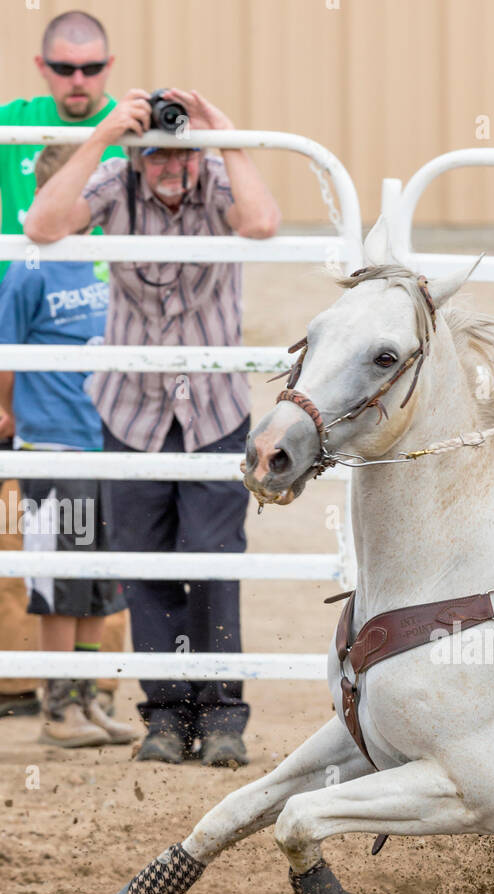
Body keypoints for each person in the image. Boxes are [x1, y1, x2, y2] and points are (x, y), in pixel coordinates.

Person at [26, 85, 282, 767]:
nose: (171, 164)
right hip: (133, 410)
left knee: (213, 560)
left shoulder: (219, 178)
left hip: (215, 410)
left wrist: (222, 131)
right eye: (158, 152)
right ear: (139, 155)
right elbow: (42, 224)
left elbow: (260, 223)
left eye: (182, 150)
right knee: (146, 569)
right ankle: (166, 717)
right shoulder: (117, 178)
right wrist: (107, 136)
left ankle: (223, 715)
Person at [0, 8, 125, 721]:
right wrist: (9, 407)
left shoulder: (109, 265)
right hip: (52, 433)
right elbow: (8, 345)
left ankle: (87, 693)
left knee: (98, 570)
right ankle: (55, 699)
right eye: (65, 66)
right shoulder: (27, 273)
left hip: (104, 433)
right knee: (56, 566)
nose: (79, 79)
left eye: (92, 66)